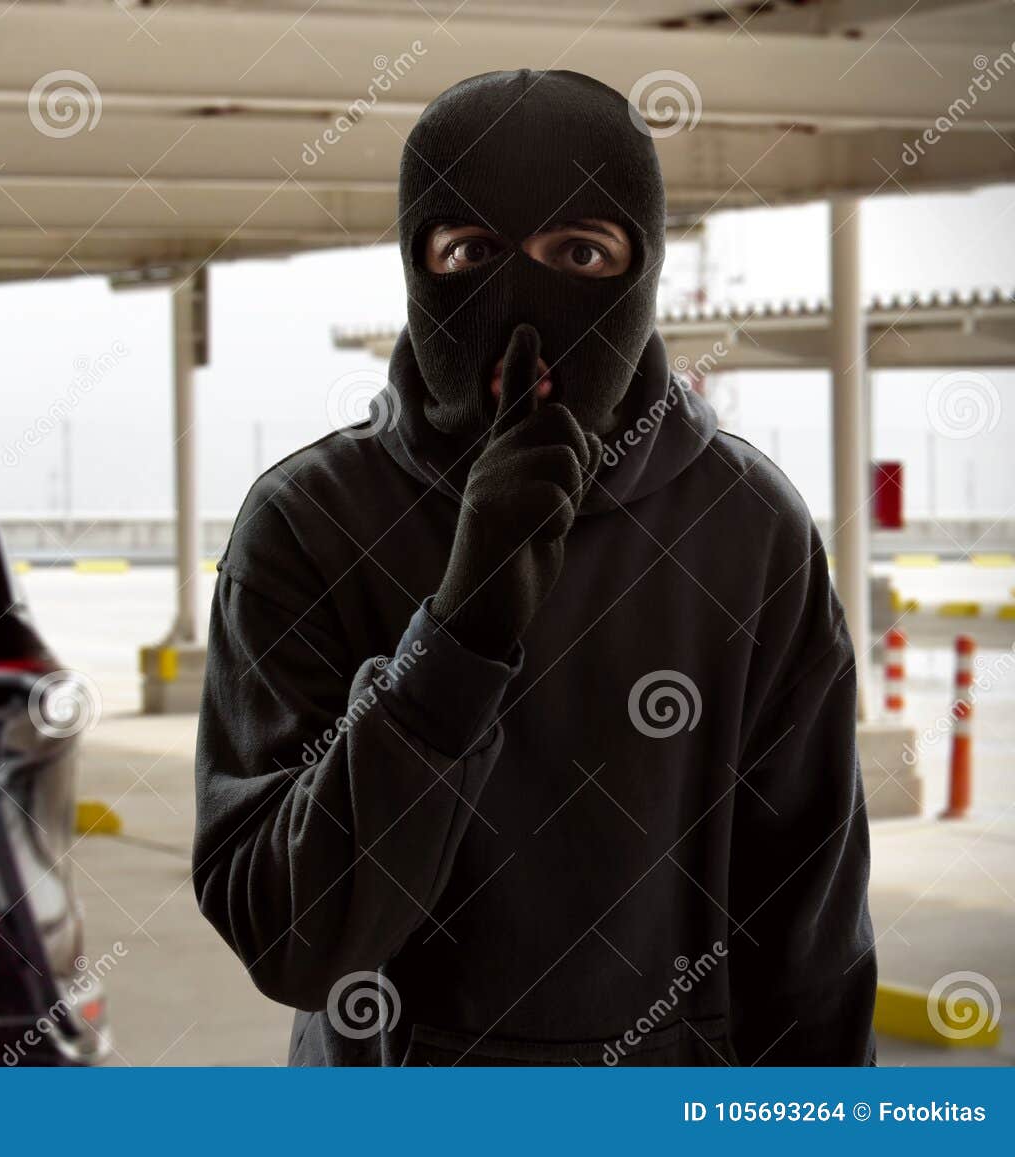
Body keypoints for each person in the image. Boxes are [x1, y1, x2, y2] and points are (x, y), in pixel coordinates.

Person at [192, 68, 876, 1066]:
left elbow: (810, 936)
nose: (524, 299)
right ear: (416, 268)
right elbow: (292, 934)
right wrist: (456, 641)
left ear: (641, 270)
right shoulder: (307, 524)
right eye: (471, 250)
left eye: (580, 251)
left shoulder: (746, 524)